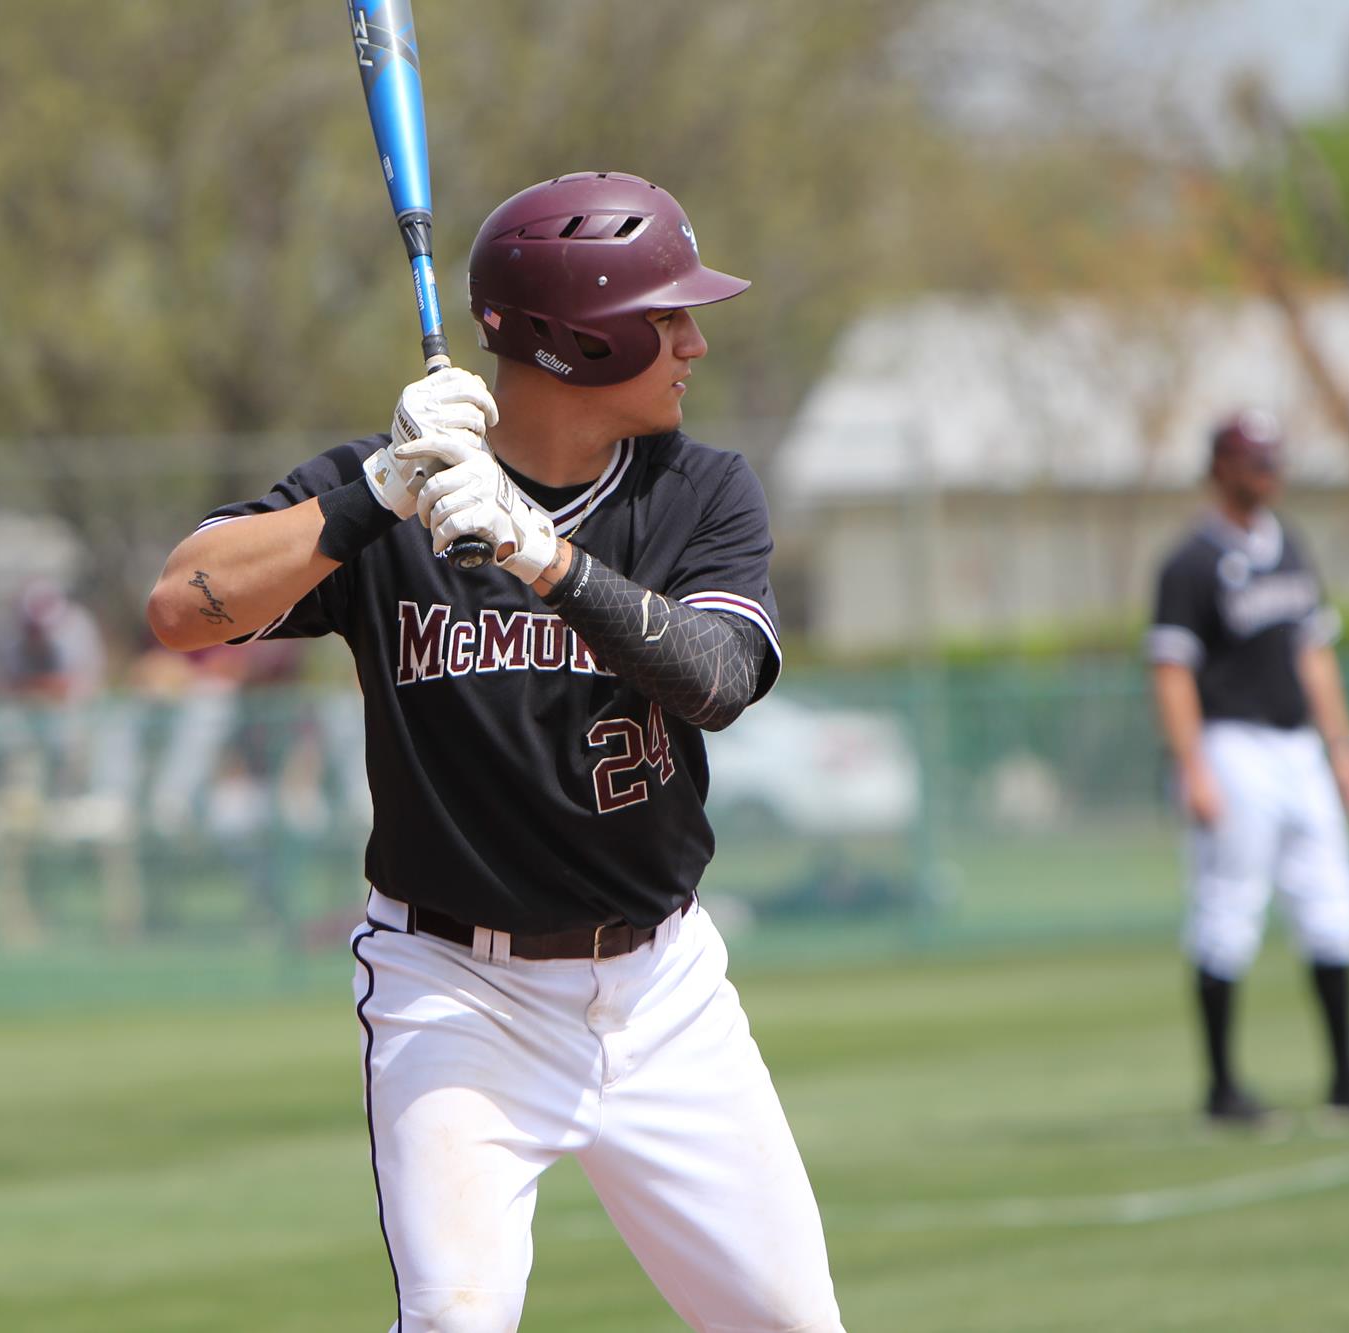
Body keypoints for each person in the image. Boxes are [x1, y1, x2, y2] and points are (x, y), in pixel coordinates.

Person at [148, 172, 842, 1332]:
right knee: (456, 1319)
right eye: (666, 317)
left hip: (662, 990)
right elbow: (180, 607)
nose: (695, 342)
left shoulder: (700, 491)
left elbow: (717, 679)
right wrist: (373, 494)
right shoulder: (387, 492)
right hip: (452, 993)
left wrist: (543, 560)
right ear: (583, 339)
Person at [1147, 409, 1349, 1126]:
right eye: (1254, 461)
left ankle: (1347, 1076)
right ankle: (1222, 1088)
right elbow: (1171, 671)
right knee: (1228, 909)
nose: (1269, 474)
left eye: (1274, 461)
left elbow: (1313, 653)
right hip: (1230, 745)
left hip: (1298, 748)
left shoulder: (1289, 543)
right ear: (1221, 467)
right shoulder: (1191, 561)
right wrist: (1192, 765)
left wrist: (1343, 745)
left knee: (1333, 905)